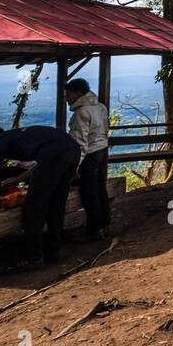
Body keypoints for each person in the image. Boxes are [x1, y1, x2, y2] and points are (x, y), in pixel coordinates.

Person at [0, 125, 81, 272]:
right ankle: (53, 250)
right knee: (56, 203)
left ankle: (34, 258)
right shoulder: (16, 135)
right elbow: (44, 162)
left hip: (56, 153)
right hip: (72, 149)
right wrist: (17, 179)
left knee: (33, 208)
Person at [65, 77, 110, 241]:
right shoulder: (100, 107)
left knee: (89, 192)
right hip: (103, 150)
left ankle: (94, 229)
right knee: (100, 188)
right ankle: (104, 222)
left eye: (68, 94)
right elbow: (106, 128)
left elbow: (80, 142)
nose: (67, 98)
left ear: (77, 93)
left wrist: (75, 166)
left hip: (90, 154)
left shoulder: (81, 112)